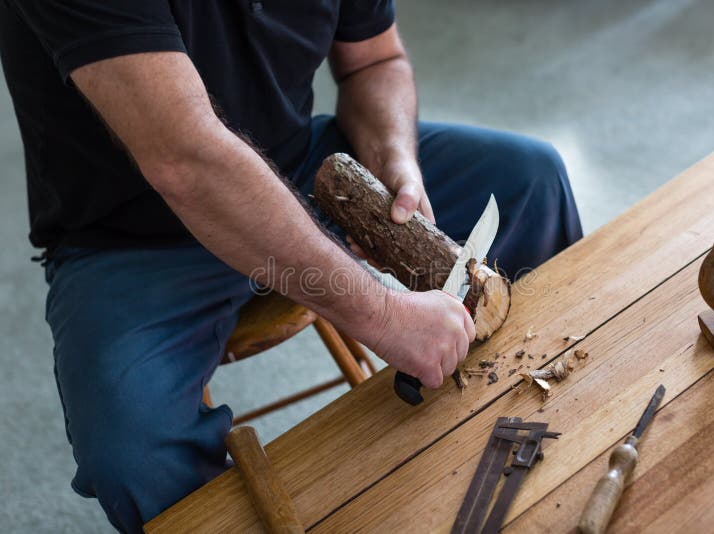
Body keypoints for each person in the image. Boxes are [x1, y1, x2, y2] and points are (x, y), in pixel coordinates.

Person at [0, 1, 582, 531]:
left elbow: (373, 60)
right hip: (129, 238)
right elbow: (187, 161)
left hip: (292, 167)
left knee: (532, 178)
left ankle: (518, 408)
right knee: (129, 449)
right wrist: (380, 313)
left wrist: (394, 161)